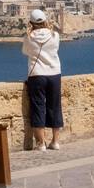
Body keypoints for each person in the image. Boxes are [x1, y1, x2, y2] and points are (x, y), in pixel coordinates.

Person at [22, 9, 63, 149]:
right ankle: (55, 142)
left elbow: (25, 52)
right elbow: (55, 49)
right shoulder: (55, 35)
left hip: (37, 74)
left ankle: (41, 143)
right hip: (54, 74)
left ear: (31, 23)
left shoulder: (28, 37)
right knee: (55, 106)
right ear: (45, 21)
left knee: (38, 107)